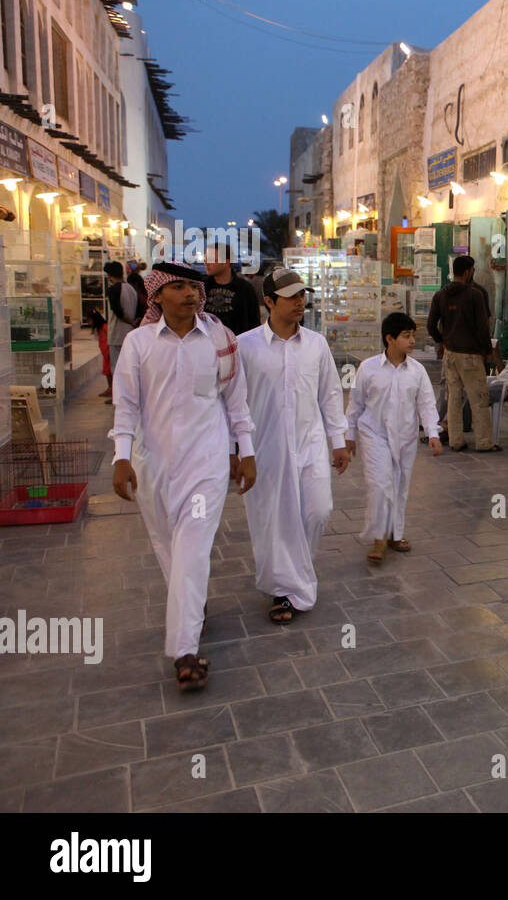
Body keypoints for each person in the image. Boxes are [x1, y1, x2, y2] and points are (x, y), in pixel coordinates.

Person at [109, 262, 258, 692]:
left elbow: (236, 403)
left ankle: (185, 651)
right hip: (151, 462)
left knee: (192, 546)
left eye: (194, 286)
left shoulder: (220, 339)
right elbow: (126, 406)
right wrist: (121, 457)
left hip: (206, 463)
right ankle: (192, 607)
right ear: (156, 297)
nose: (190, 293)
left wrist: (244, 452)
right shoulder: (138, 344)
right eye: (177, 287)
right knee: (167, 545)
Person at [237, 268, 350, 624]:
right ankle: (283, 590)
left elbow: (331, 394)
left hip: (310, 443)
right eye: (291, 296)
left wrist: (338, 440)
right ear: (269, 301)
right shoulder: (245, 346)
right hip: (265, 448)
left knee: (318, 510)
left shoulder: (316, 344)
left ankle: (295, 575)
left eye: (303, 295)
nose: (300, 302)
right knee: (272, 520)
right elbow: (234, 402)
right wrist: (238, 450)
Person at [345, 312, 442, 564]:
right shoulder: (368, 368)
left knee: (399, 486)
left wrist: (432, 433)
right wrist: (349, 435)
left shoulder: (417, 371)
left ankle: (394, 534)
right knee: (380, 485)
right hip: (373, 434)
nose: (412, 341)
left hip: (406, 437)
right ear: (390, 338)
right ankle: (379, 538)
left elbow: (426, 403)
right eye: (406, 336)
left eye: (413, 335)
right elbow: (355, 405)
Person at [429, 255, 498, 452]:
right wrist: (487, 351)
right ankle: (484, 442)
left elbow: (431, 325)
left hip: (450, 355)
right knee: (479, 398)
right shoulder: (474, 295)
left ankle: (456, 440)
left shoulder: (441, 295)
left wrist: (441, 340)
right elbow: (482, 328)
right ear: (468, 271)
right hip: (470, 356)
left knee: (453, 398)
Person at [202, 242, 262, 336]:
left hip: (238, 344)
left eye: (211, 259)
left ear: (226, 262)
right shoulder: (202, 286)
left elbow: (254, 321)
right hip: (207, 344)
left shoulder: (245, 289)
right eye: (205, 259)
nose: (206, 263)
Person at [104, 261, 139, 403]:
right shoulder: (131, 288)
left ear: (110, 276)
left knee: (117, 368)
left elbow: (117, 311)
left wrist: (129, 321)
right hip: (130, 333)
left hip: (117, 334)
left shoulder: (114, 289)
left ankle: (119, 397)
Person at [89, 309, 110, 397]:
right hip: (105, 353)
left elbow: (110, 338)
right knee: (107, 372)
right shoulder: (99, 329)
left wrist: (109, 351)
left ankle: (112, 390)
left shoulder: (105, 327)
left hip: (109, 353)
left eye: (89, 320)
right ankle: (110, 389)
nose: (89, 322)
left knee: (110, 372)